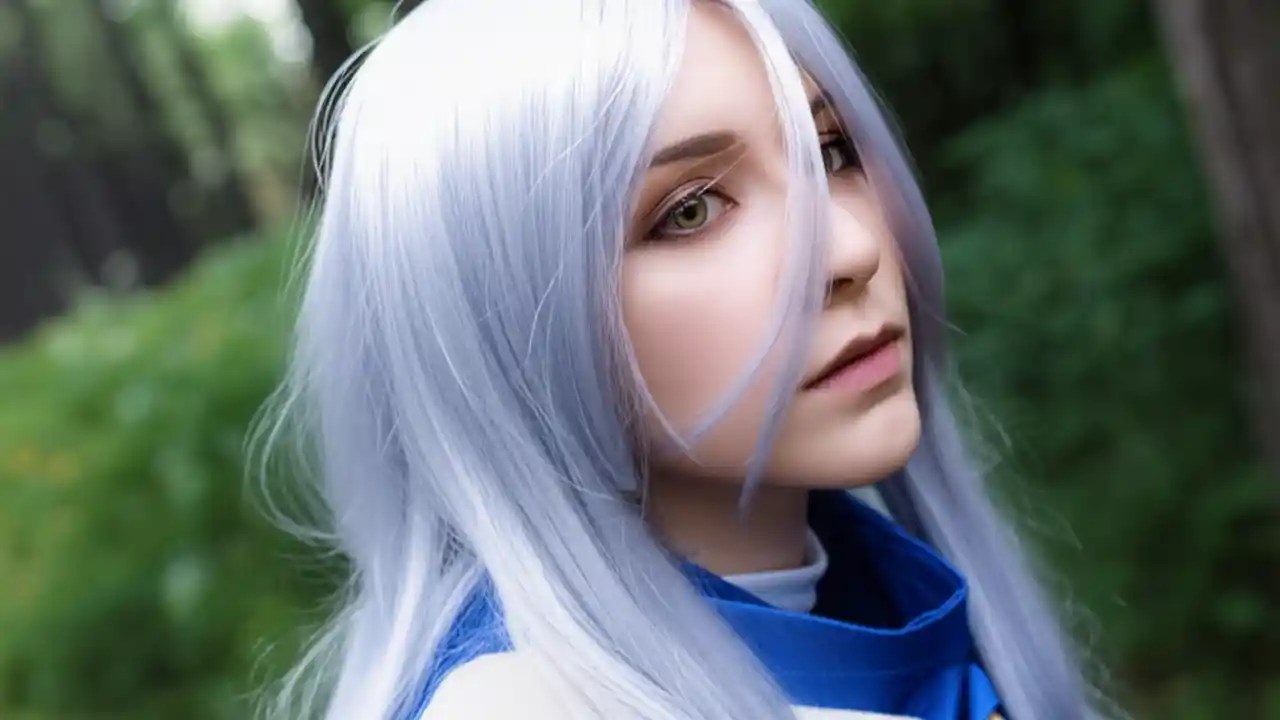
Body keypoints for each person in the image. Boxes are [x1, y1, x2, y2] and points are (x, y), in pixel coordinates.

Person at [259, 0, 1109, 718]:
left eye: (829, 151)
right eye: (692, 211)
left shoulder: (875, 596)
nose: (849, 249)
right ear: (500, 321)